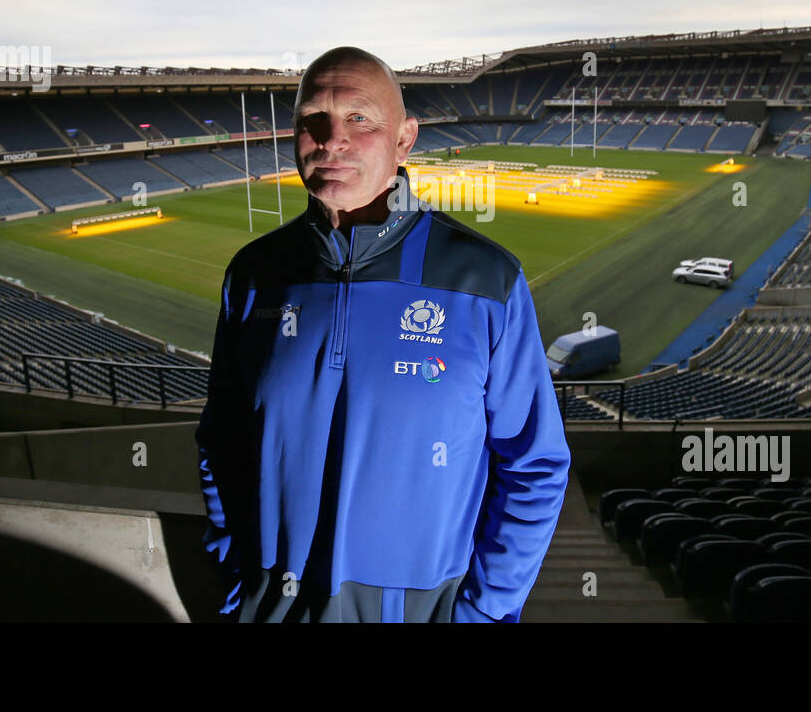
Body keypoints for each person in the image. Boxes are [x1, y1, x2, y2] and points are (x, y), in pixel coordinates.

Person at [195, 45, 571, 622]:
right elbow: (221, 441)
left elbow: (533, 464)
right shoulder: (254, 275)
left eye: (359, 119)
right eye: (311, 121)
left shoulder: (484, 278)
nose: (330, 140)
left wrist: (485, 613)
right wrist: (237, 582)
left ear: (404, 138)